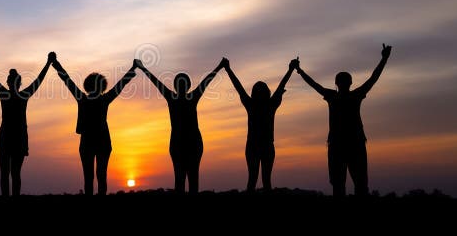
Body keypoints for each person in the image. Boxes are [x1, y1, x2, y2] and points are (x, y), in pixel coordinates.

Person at [295, 44, 392, 197]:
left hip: (342, 145)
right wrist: (384, 59)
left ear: (336, 83)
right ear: (350, 83)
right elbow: (373, 78)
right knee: (356, 185)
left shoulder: (335, 96)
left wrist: (299, 71)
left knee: (343, 185)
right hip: (351, 144)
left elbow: (314, 84)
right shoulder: (353, 95)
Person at [135, 59, 222, 194]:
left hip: (191, 144)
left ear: (186, 86)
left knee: (190, 179)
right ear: (177, 86)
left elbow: (207, 81)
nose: (181, 86)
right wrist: (142, 68)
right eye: (179, 84)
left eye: (183, 84)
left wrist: (219, 67)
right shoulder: (182, 97)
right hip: (181, 145)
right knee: (182, 180)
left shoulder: (185, 97)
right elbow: (156, 82)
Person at [53, 57, 137, 195]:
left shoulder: (84, 99)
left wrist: (56, 65)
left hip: (91, 142)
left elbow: (68, 81)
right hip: (99, 141)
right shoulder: (102, 99)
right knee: (100, 176)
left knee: (90, 177)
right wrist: (132, 69)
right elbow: (120, 85)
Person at [0, 43, 54, 196]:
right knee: (14, 173)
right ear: (19, 83)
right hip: (15, 138)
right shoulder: (22, 95)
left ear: (9, 82)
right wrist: (48, 63)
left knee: (8, 173)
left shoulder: (6, 94)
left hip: (11, 138)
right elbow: (38, 80)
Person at [224, 57, 297, 192]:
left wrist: (228, 69)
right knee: (264, 180)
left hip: (256, 145)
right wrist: (291, 69)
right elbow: (281, 85)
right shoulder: (269, 104)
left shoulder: (253, 105)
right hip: (262, 146)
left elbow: (239, 87)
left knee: (254, 180)